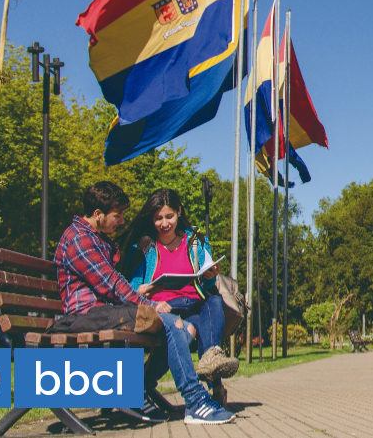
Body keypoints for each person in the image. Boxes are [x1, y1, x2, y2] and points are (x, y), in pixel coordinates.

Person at [52, 181, 235, 424]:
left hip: (106, 312)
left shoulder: (94, 237)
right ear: (98, 214)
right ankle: (195, 401)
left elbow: (113, 283)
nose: (122, 221)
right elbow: (112, 284)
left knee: (180, 326)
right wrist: (149, 304)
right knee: (172, 324)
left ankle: (143, 392)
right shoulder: (80, 239)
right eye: (118, 215)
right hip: (86, 316)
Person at [124, 189, 239, 406]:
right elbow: (131, 286)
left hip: (196, 303)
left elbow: (204, 284)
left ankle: (211, 362)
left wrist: (209, 276)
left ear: (179, 212)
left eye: (169, 217)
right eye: (158, 218)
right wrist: (145, 289)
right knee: (188, 331)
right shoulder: (145, 246)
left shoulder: (196, 241)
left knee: (214, 302)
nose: (164, 223)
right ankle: (215, 386)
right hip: (164, 307)